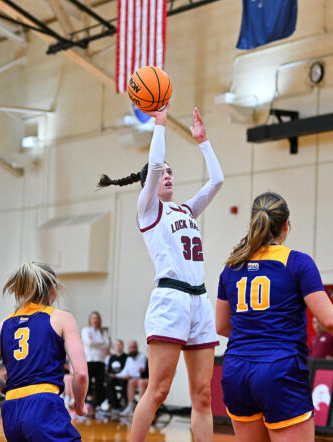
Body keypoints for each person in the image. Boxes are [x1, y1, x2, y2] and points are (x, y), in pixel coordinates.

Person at [216, 192, 333, 442]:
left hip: (236, 371)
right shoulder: (297, 263)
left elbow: (222, 326)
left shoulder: (231, 266)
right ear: (286, 225)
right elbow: (330, 320)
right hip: (279, 370)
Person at [97, 105, 223, 441]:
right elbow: (153, 165)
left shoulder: (186, 209)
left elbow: (218, 180)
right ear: (148, 185)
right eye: (162, 173)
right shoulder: (149, 209)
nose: (167, 174)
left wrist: (203, 141)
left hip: (200, 301)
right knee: (158, 390)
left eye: (171, 172)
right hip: (171, 299)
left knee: (203, 396)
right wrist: (161, 122)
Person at [0, 262, 89, 441]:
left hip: (11, 412)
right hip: (43, 405)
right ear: (53, 288)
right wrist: (79, 403)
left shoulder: (3, 324)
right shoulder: (61, 318)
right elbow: (81, 373)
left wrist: (12, 392)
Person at [81, 311, 110, 413]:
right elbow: (88, 343)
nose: (95, 320)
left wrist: (95, 342)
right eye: (93, 318)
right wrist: (100, 343)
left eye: (97, 318)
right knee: (87, 383)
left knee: (99, 383)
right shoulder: (86, 330)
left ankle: (99, 404)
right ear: (90, 319)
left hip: (100, 360)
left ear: (99, 320)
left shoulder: (103, 332)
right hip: (89, 360)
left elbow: (106, 344)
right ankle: (85, 403)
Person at [117, 340, 149, 415]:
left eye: (134, 347)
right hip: (138, 378)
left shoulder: (143, 357)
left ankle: (143, 407)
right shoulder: (129, 358)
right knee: (131, 382)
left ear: (137, 348)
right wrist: (117, 375)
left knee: (140, 382)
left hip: (146, 379)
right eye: (131, 347)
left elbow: (147, 373)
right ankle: (130, 406)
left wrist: (142, 372)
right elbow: (125, 371)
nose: (132, 349)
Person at [105, 339, 129, 410]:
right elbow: (109, 370)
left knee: (125, 383)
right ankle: (114, 404)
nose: (118, 346)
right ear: (114, 347)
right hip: (113, 378)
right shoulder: (112, 358)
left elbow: (127, 370)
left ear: (122, 346)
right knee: (109, 382)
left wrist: (118, 375)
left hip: (123, 378)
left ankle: (125, 403)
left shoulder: (126, 357)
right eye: (116, 345)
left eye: (119, 345)